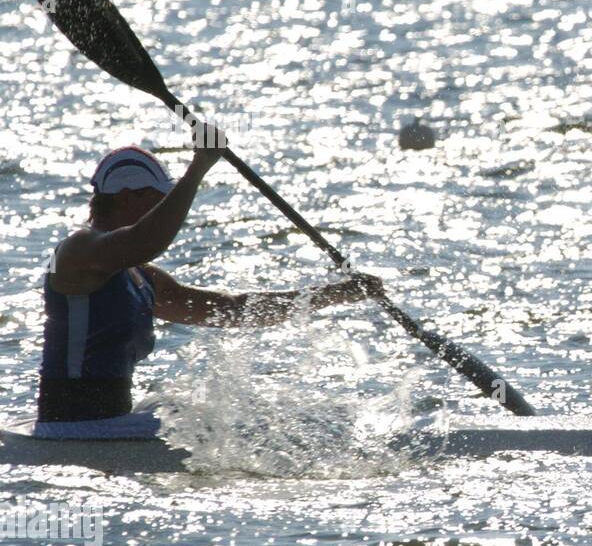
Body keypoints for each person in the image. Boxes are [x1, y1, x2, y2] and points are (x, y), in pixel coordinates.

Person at [35, 122, 383, 438]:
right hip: (71, 427)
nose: (169, 210)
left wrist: (338, 294)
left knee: (240, 419)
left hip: (108, 425)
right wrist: (199, 166)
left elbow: (232, 311)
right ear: (128, 197)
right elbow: (147, 240)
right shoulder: (77, 253)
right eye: (160, 201)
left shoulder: (142, 279)